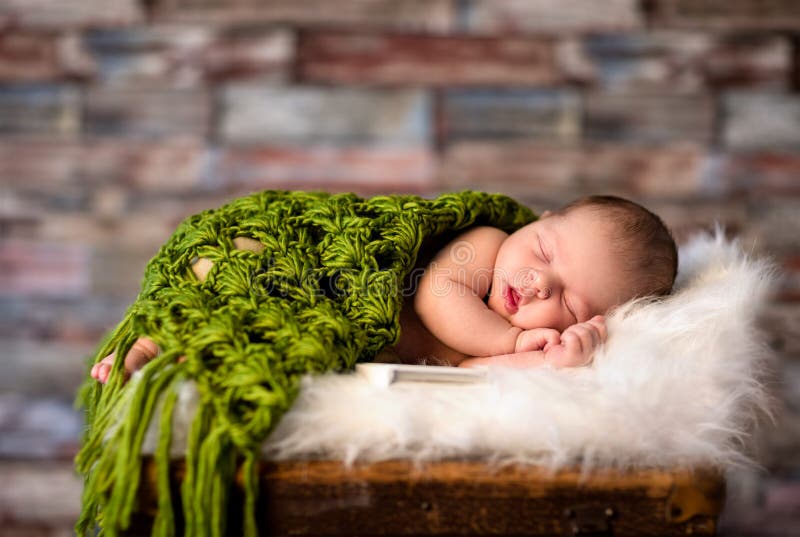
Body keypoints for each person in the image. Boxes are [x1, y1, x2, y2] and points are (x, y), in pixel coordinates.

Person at [91, 195, 677, 383]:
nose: (539, 282)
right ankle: (149, 344)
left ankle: (171, 358)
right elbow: (435, 297)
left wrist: (547, 363)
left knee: (261, 341)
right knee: (247, 290)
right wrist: (511, 342)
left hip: (330, 329)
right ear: (537, 222)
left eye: (569, 302)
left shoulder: (500, 339)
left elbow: (475, 373)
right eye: (545, 253)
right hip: (314, 276)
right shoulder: (486, 244)